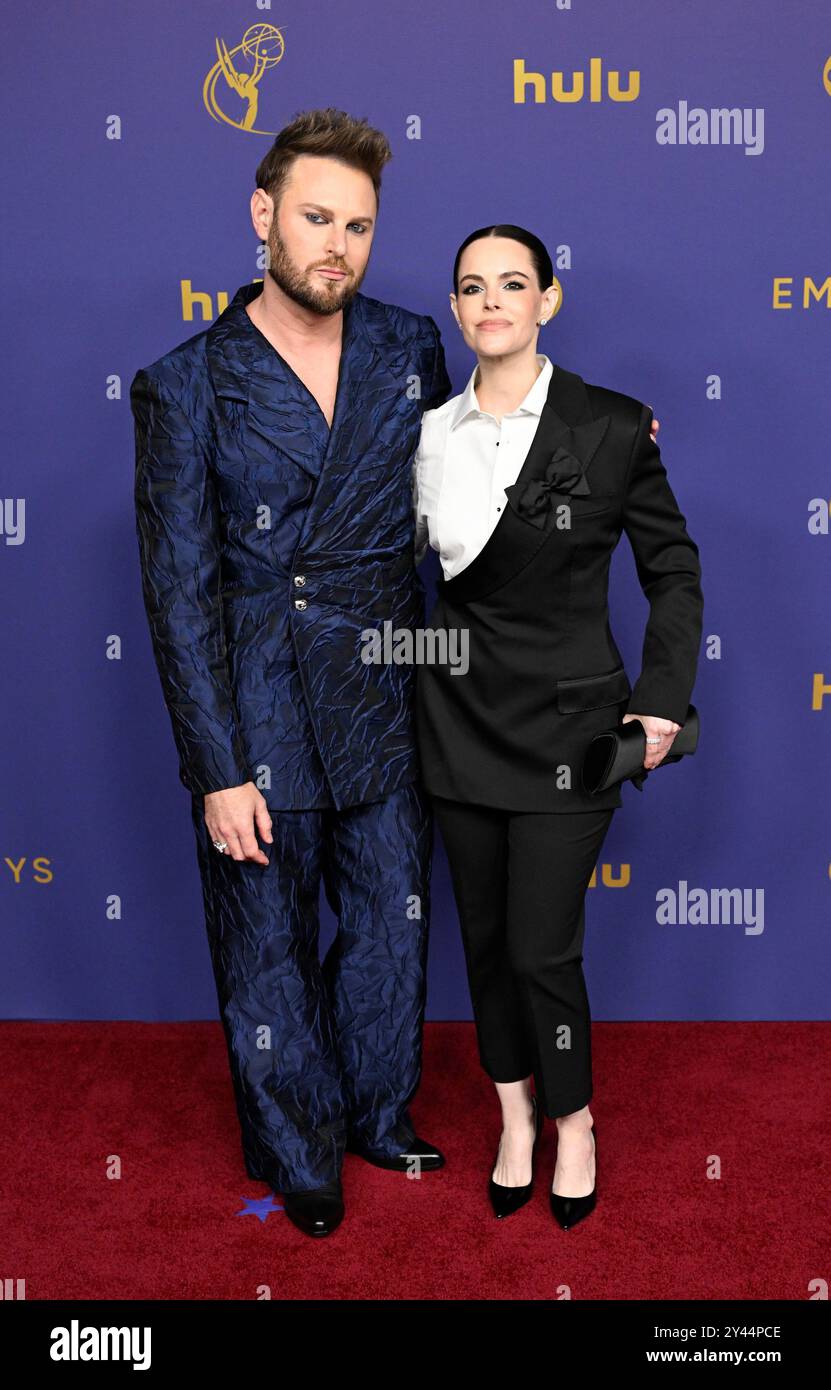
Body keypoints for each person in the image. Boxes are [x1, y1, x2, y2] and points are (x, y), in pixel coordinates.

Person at [130, 108, 453, 1239]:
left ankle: (376, 1112)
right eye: (317, 218)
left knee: (389, 926)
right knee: (263, 946)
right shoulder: (186, 383)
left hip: (382, 691)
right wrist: (215, 768)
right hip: (256, 705)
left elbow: (465, 475)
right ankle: (299, 1147)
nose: (339, 246)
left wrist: (594, 449)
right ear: (264, 215)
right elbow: (177, 594)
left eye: (359, 226)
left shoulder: (411, 345)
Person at [413, 224, 703, 1229]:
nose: (490, 300)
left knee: (543, 947)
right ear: (455, 310)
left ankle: (573, 1117)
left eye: (512, 283)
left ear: (549, 300)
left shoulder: (614, 426)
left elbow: (672, 571)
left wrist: (661, 700)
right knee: (487, 944)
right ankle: (515, 1114)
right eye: (471, 287)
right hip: (456, 723)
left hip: (573, 732)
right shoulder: (427, 436)